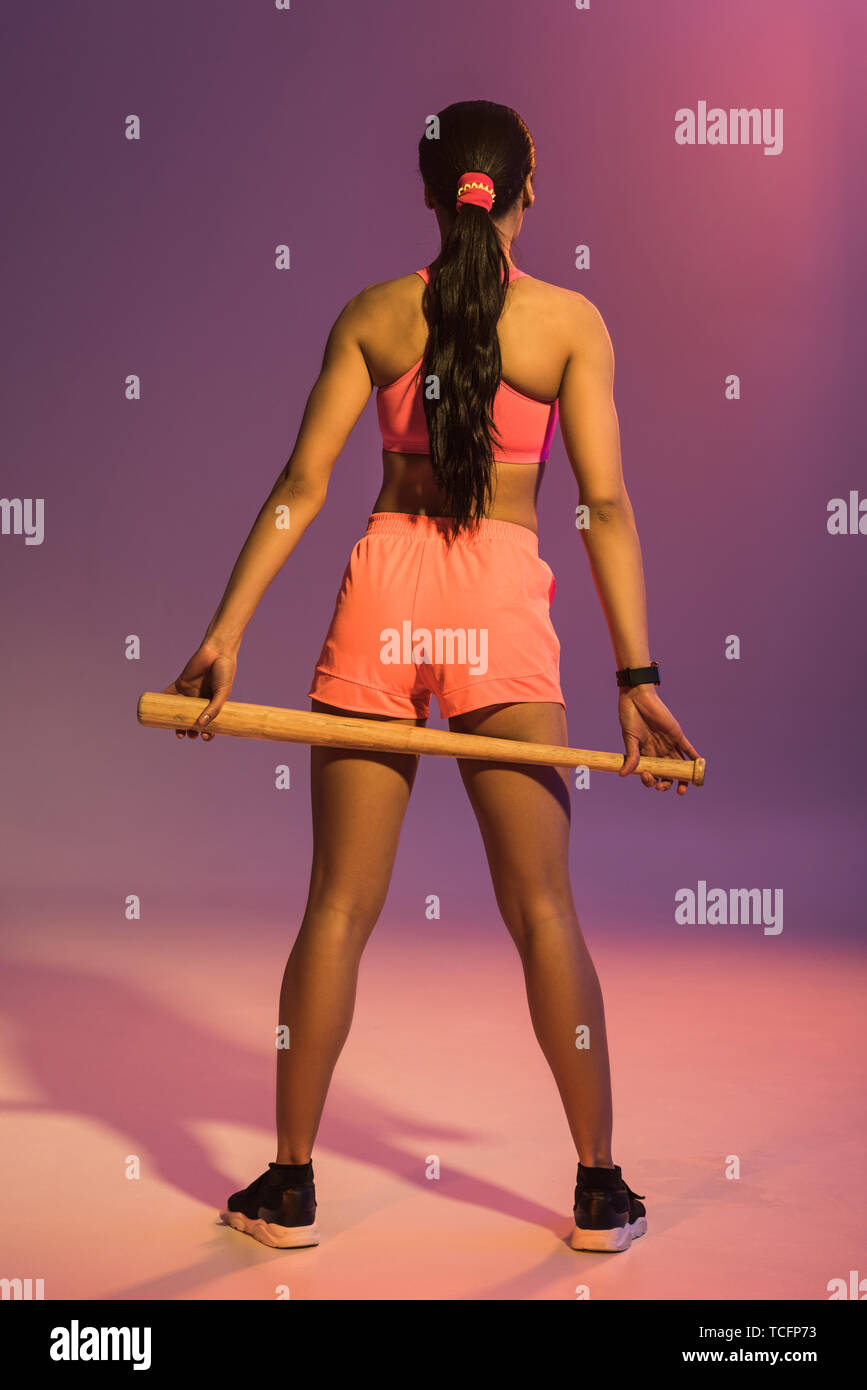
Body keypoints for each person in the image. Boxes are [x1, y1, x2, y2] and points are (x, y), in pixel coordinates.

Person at [162, 100, 700, 1254]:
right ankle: (600, 1191)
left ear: (429, 188)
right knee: (543, 908)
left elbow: (300, 483)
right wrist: (636, 672)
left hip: (388, 594)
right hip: (500, 599)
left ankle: (290, 1188)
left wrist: (226, 628)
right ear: (527, 188)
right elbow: (604, 507)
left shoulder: (373, 313)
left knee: (339, 907)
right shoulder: (570, 324)